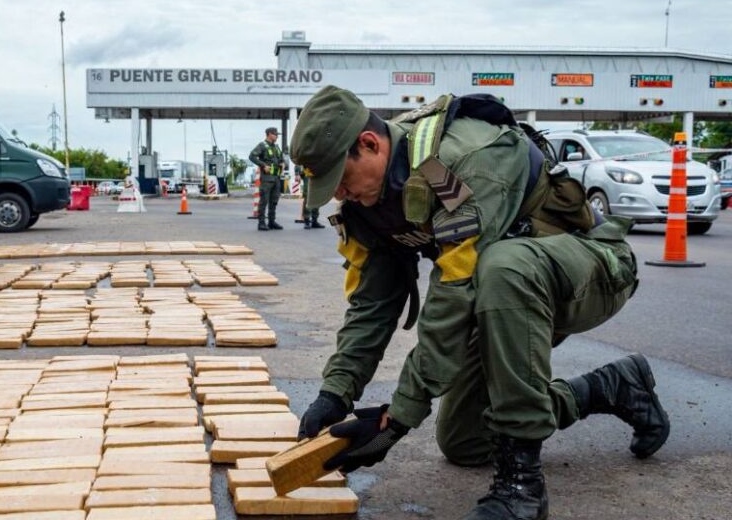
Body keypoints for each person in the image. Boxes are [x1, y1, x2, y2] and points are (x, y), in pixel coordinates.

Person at [291, 86, 669, 520]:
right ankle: (611, 387)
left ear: (370, 144)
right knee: (465, 441)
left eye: (340, 178)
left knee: (502, 267)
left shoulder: (463, 161)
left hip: (591, 271)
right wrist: (335, 392)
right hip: (506, 296)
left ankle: (521, 487)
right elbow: (371, 305)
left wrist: (397, 419)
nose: (339, 193)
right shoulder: (368, 202)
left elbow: (454, 294)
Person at [249, 127, 284, 231]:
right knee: (264, 201)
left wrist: (283, 163)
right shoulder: (262, 145)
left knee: (274, 201)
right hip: (267, 178)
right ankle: (261, 223)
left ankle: (271, 222)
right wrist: (263, 165)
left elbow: (281, 159)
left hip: (276, 178)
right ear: (269, 134)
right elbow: (252, 156)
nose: (277, 136)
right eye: (275, 134)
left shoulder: (276, 147)